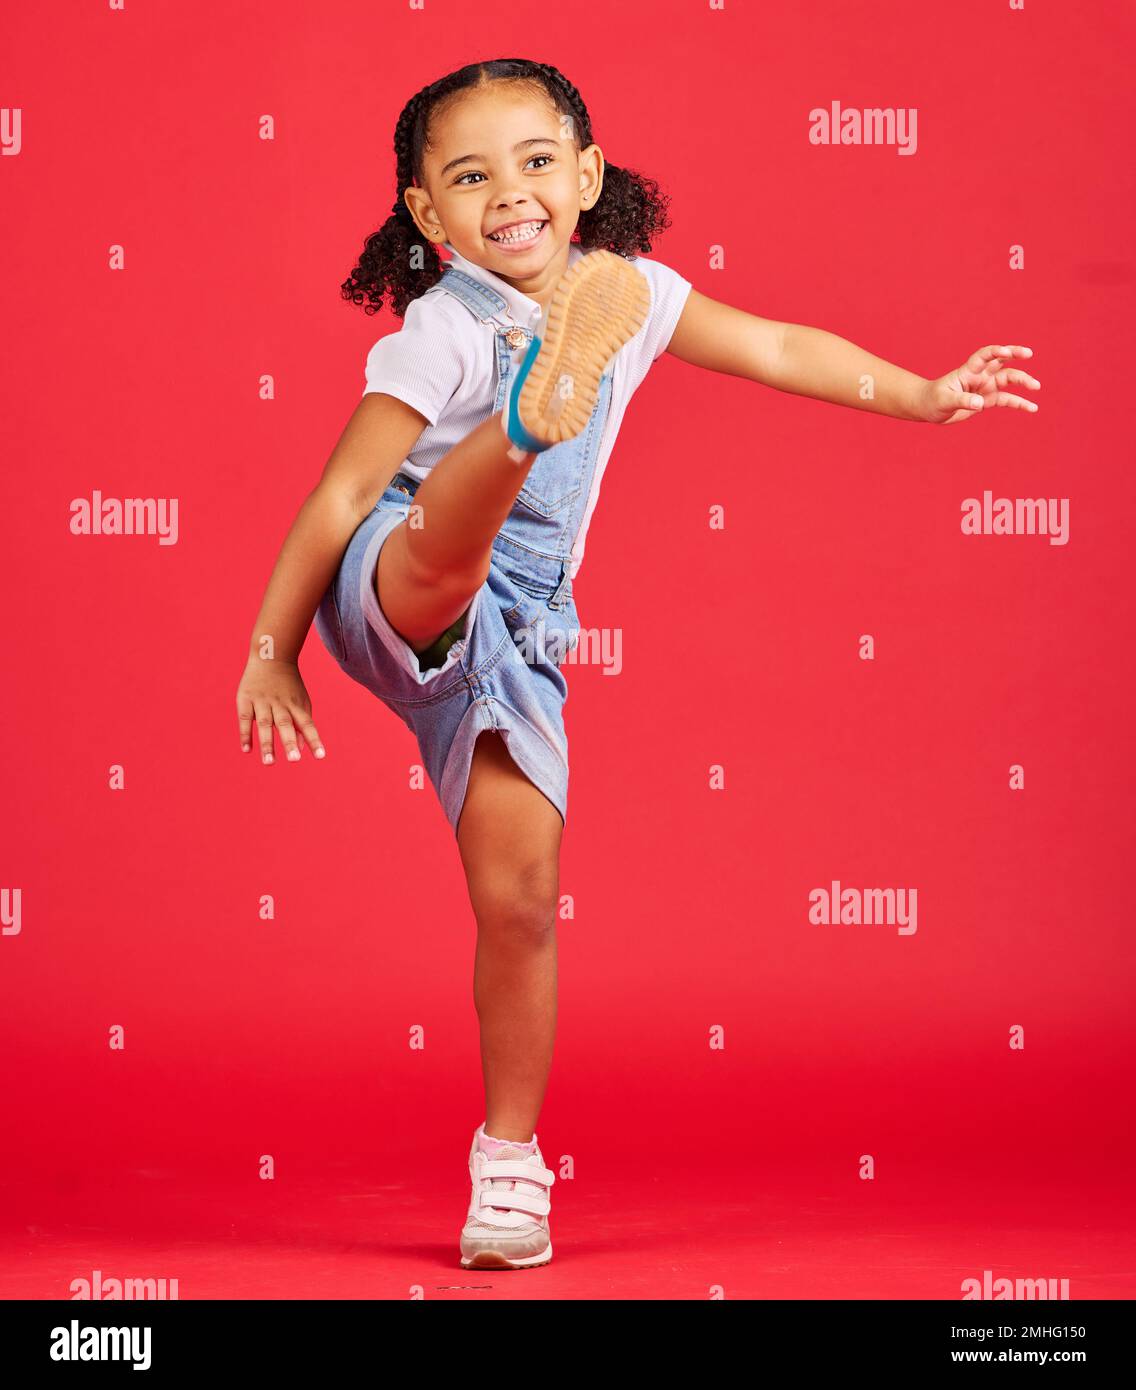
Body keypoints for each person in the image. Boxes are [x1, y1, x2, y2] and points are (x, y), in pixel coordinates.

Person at [234, 58, 1040, 1270]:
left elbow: (772, 346)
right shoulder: (441, 326)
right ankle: (519, 420)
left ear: (588, 173)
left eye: (536, 161)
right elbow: (344, 487)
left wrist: (921, 394)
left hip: (518, 643)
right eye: (468, 177)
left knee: (519, 902)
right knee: (439, 566)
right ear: (425, 215)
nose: (508, 193)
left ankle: (508, 1167)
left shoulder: (639, 297)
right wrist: (271, 648)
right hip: (391, 576)